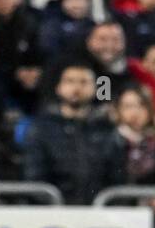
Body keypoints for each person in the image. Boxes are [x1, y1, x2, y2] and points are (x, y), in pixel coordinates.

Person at [20, 61, 125, 204]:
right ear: (59, 87)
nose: (76, 87)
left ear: (95, 88)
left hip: (101, 215)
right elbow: (34, 178)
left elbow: (117, 179)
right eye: (70, 81)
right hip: (52, 214)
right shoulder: (41, 128)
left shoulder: (106, 129)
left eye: (84, 82)